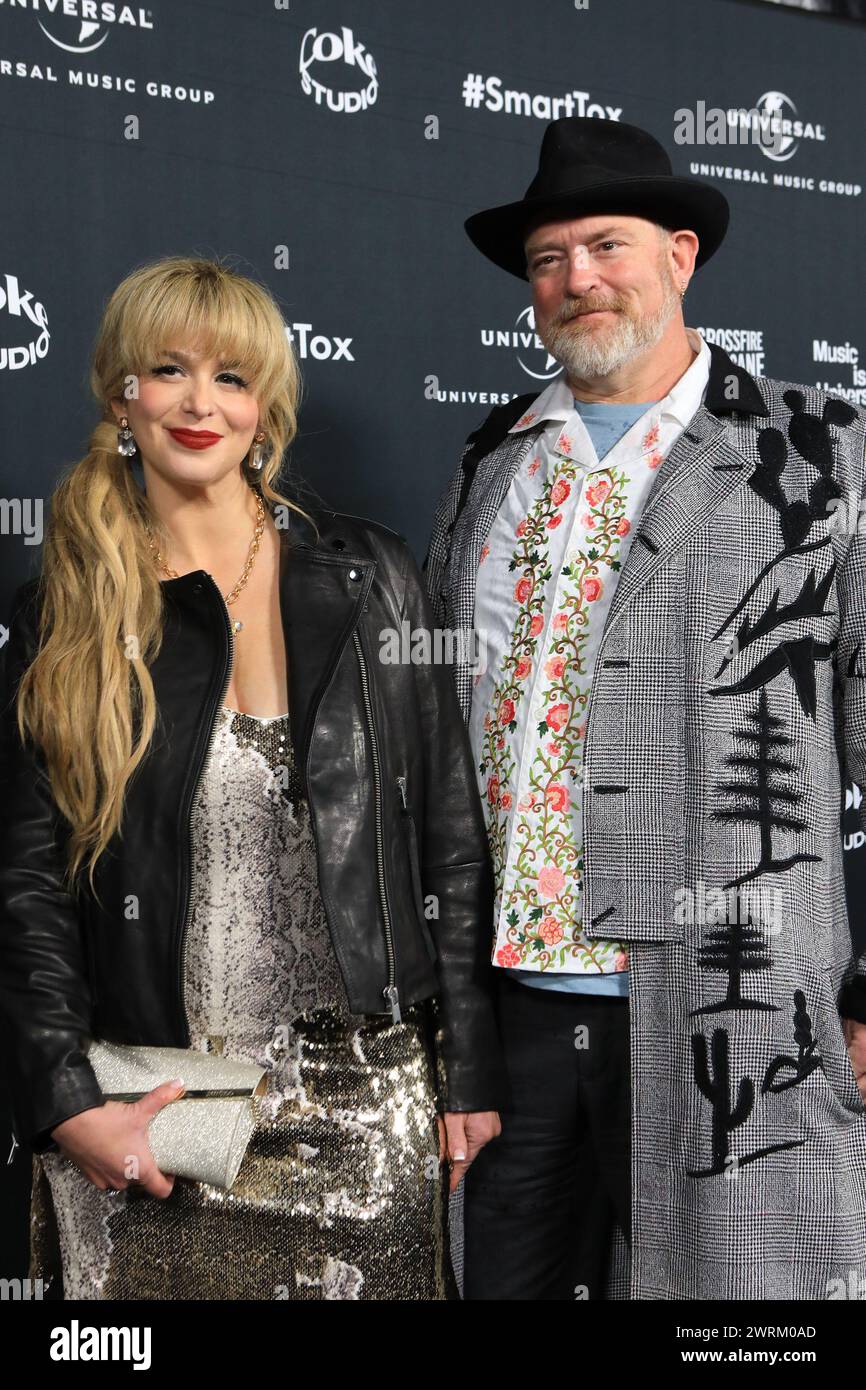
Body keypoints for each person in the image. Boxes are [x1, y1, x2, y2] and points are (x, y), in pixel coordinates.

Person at [0, 255, 505, 1301]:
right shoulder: (65, 609)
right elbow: (25, 885)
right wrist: (64, 1095)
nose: (199, 402)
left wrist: (472, 1066)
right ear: (118, 394)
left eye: (231, 377)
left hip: (366, 1103)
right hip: (156, 1104)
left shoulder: (371, 577)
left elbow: (446, 836)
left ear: (266, 404)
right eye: (168, 370)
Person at [423, 117, 866, 1300]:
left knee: (742, 1311)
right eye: (547, 260)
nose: (576, 280)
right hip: (515, 1001)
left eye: (604, 246)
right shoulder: (492, 464)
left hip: (733, 991)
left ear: (679, 255)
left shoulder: (817, 451)